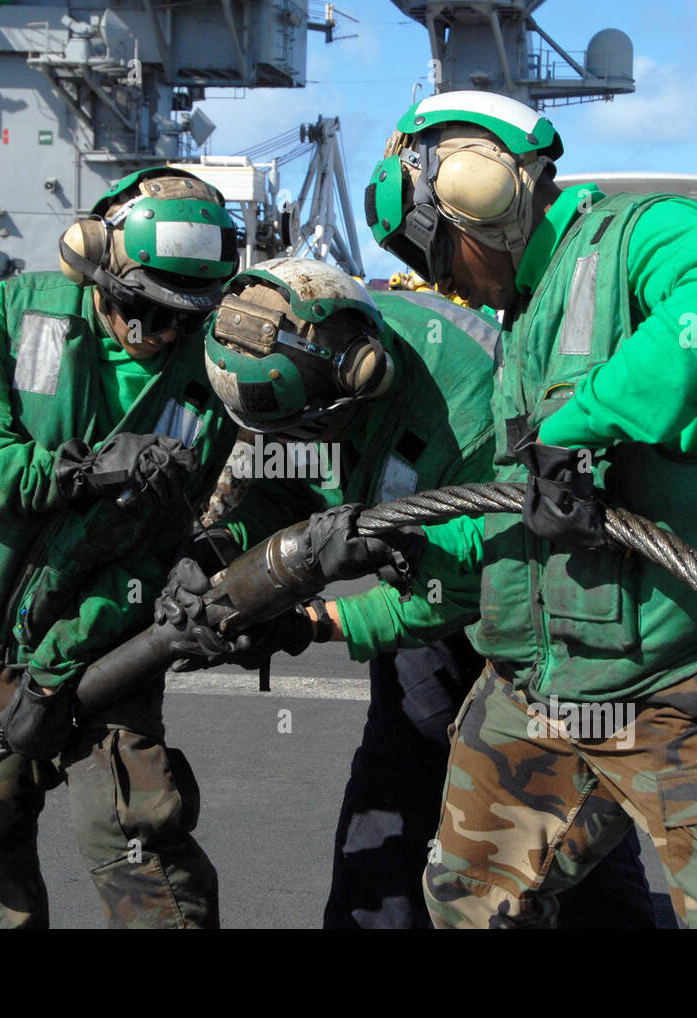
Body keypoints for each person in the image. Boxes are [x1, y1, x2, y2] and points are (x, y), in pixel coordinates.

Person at [364, 90, 697, 929]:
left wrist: (577, 428)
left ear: (475, 192)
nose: (440, 280)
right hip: (537, 688)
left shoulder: (635, 236)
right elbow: (512, 511)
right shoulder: (525, 317)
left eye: (431, 249)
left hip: (675, 688)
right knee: (468, 900)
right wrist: (376, 569)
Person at [157, 257, 657, 929]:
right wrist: (218, 548)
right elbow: (284, 486)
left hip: (531, 602)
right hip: (432, 586)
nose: (315, 444)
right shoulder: (319, 380)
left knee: (554, 804)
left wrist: (319, 623)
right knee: (399, 774)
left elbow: (479, 575)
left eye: (321, 428)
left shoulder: (472, 398)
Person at [0, 165, 242, 929]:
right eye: (145, 311)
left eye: (182, 320)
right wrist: (83, 472)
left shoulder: (205, 376)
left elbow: (152, 551)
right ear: (97, 260)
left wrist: (58, 671)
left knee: (140, 841)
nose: (161, 336)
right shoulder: (16, 312)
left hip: (109, 644)